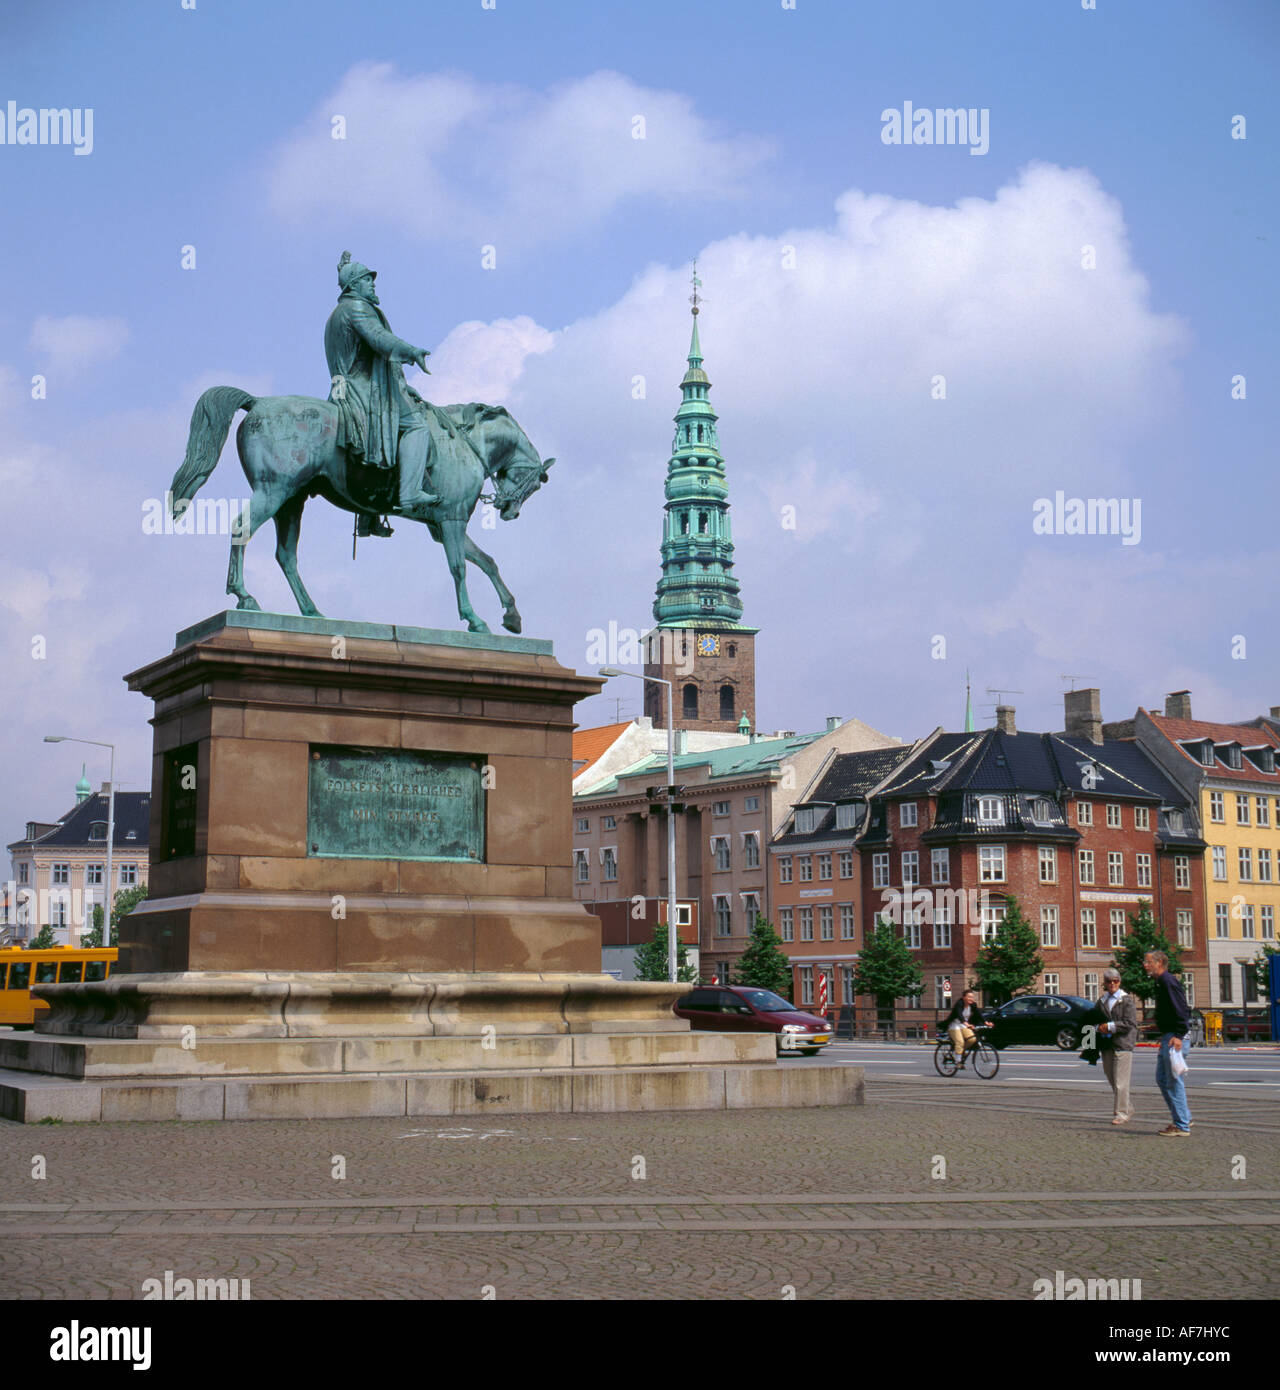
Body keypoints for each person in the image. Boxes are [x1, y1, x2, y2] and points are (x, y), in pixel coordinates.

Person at [324, 251, 440, 529]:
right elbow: (379, 338)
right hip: (361, 389)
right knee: (416, 426)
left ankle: (369, 517)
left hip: (342, 388)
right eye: (367, 280)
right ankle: (410, 492)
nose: (372, 284)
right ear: (353, 285)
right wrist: (410, 350)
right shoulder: (357, 308)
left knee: (372, 448)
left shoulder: (336, 314)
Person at [1143, 949, 1192, 1136]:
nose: (1145, 965)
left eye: (1148, 962)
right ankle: (1183, 1117)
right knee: (1163, 1079)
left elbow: (1181, 1009)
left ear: (1159, 963)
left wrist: (1178, 1035)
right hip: (1169, 1035)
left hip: (1174, 1037)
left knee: (1172, 1081)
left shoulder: (1167, 982)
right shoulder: (1161, 982)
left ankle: (1182, 1124)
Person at [1089, 968, 1137, 1125]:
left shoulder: (1126, 1000)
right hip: (1107, 1045)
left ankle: (1121, 1114)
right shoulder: (1102, 1001)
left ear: (1119, 981)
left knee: (1121, 1082)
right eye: (1109, 981)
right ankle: (1127, 1107)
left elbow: (1130, 1024)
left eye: (1115, 981)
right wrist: (1098, 1027)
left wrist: (1109, 1026)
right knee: (1111, 1078)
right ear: (1105, 983)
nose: (1112, 984)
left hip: (1123, 1044)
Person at [942, 989, 987, 1069]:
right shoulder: (959, 1004)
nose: (971, 999)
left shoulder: (973, 1005)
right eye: (969, 997)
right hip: (954, 1025)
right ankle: (958, 1062)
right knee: (960, 1041)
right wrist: (967, 1024)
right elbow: (960, 1016)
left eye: (972, 997)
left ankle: (960, 1051)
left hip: (964, 1025)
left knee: (972, 1039)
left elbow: (978, 1014)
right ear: (964, 997)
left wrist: (986, 1022)